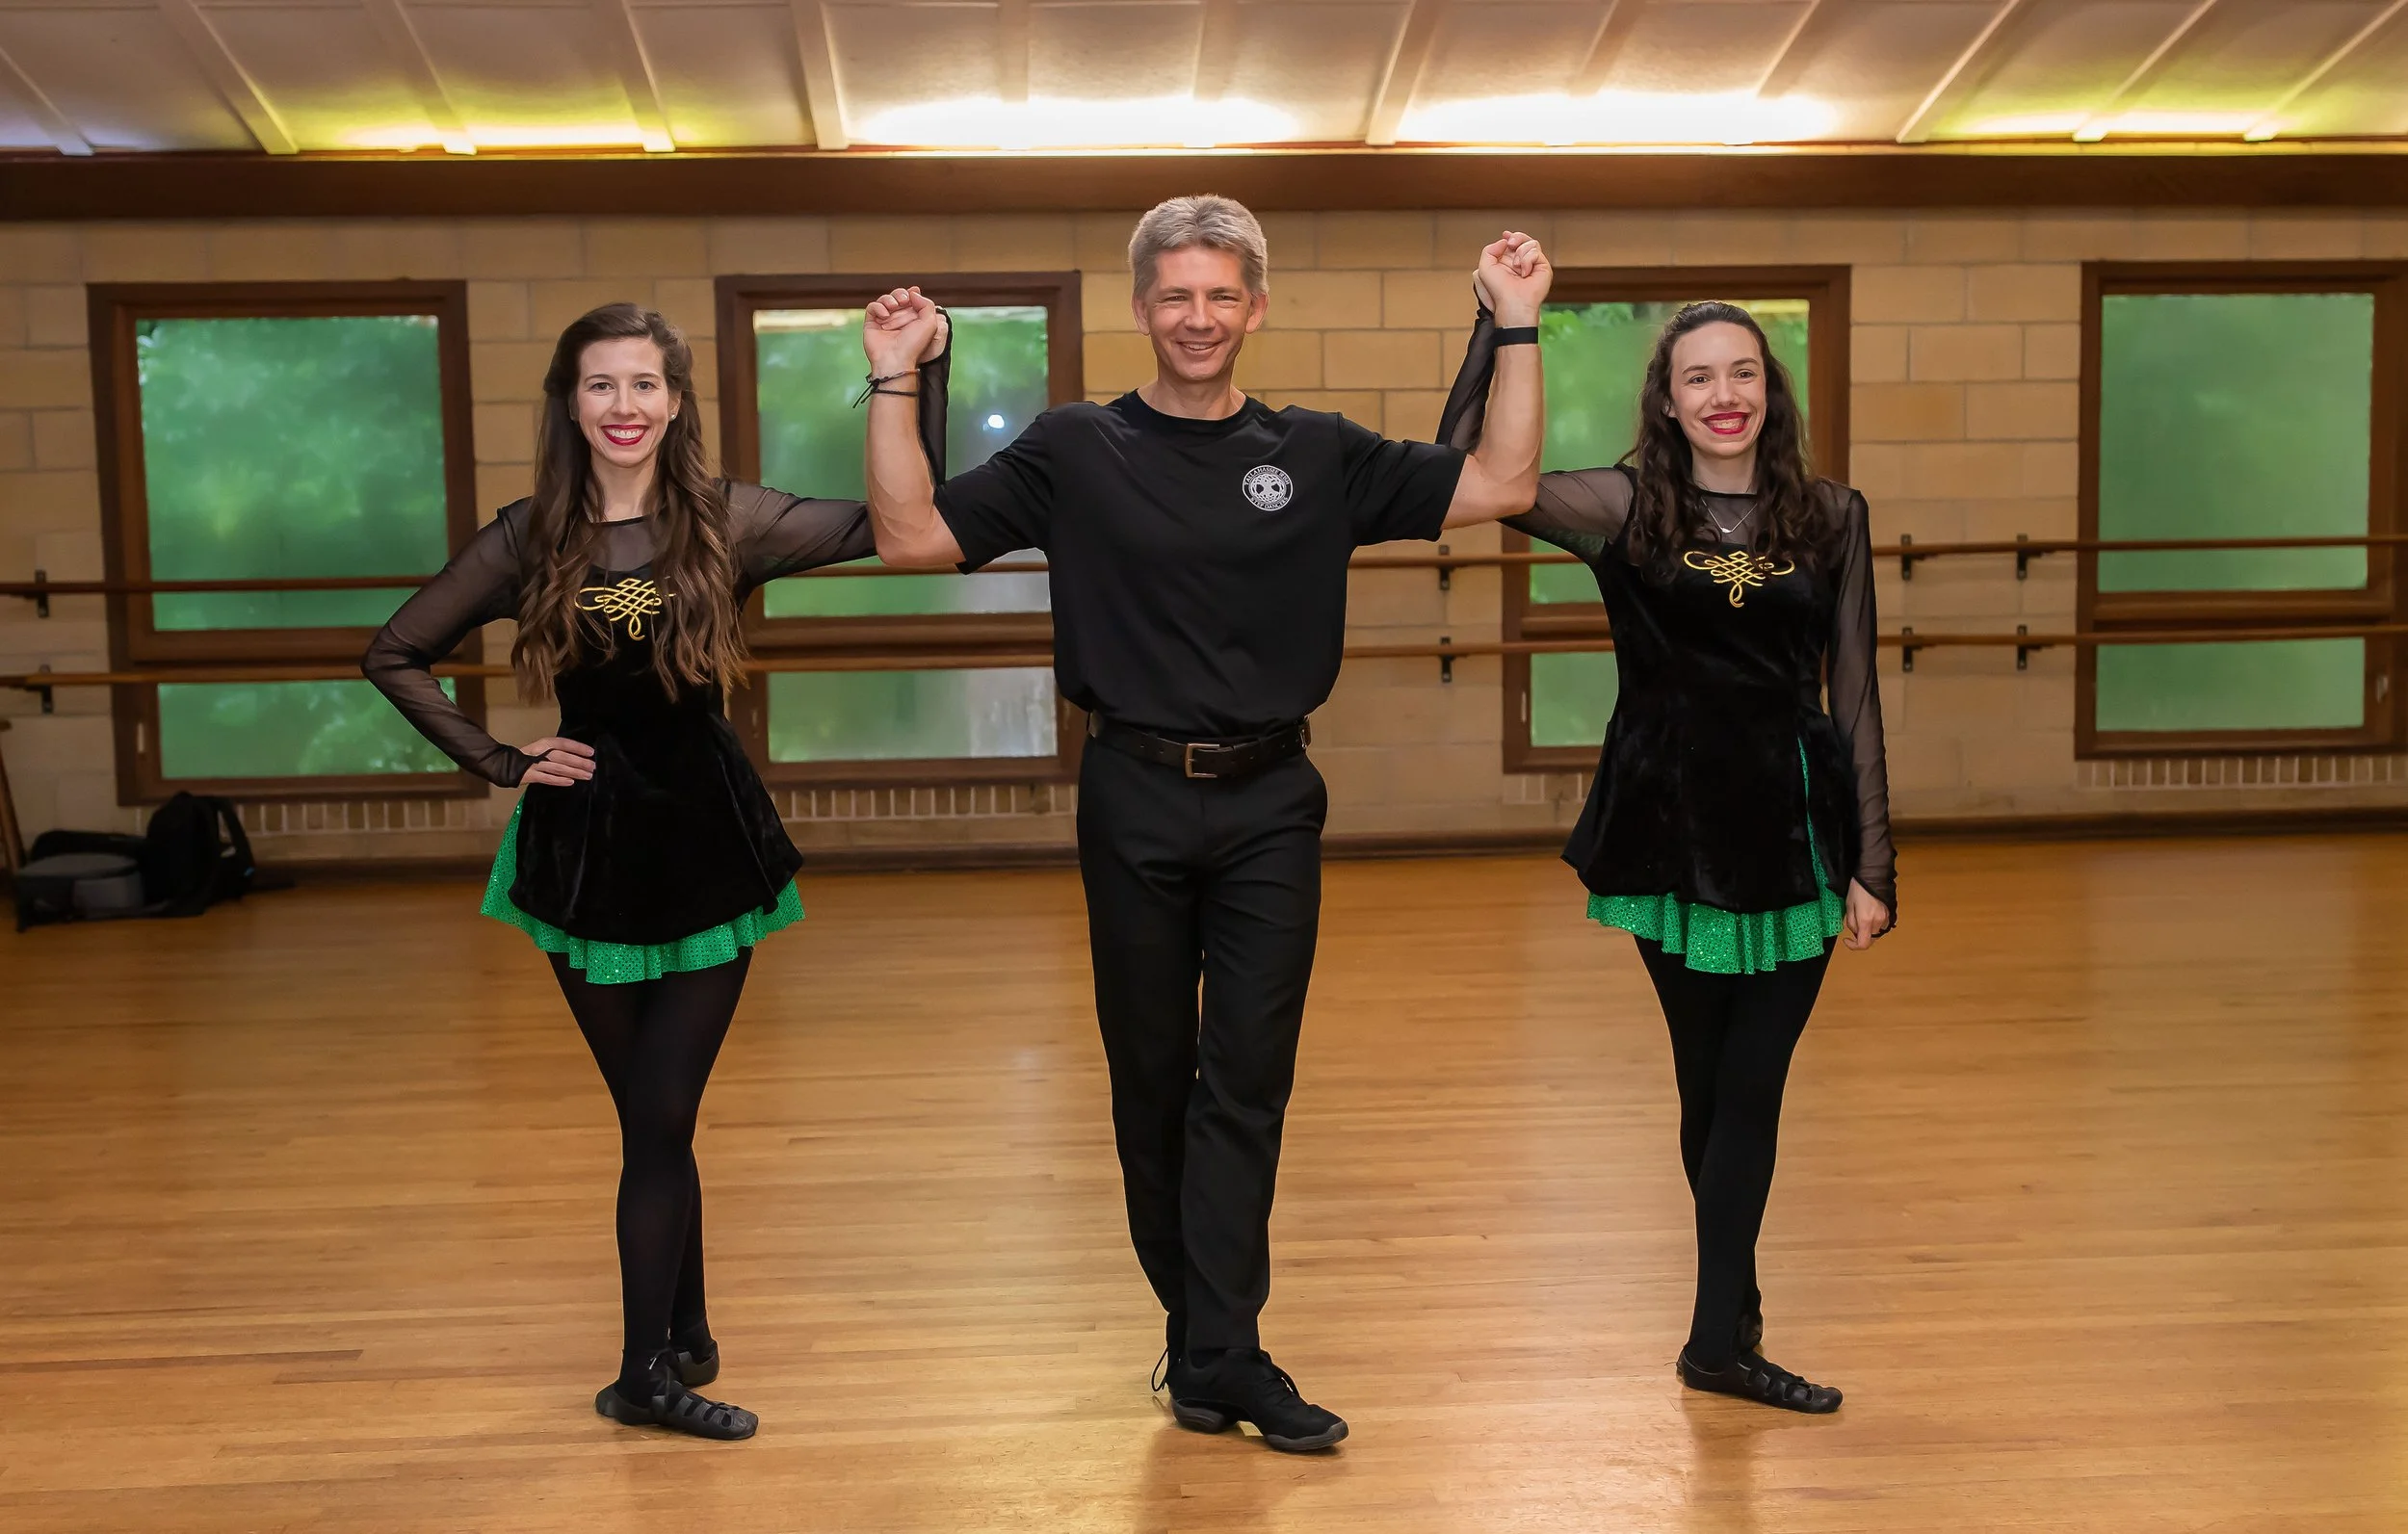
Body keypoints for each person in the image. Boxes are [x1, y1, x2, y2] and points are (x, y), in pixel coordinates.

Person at [853, 195, 1553, 1452]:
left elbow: (1502, 483)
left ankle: (1223, 1352)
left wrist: (1514, 327)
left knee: (1246, 1080)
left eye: (1220, 294)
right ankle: (1203, 1338)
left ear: (1256, 308)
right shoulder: (1074, 449)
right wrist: (895, 382)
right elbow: (911, 535)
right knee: (1149, 1081)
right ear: (1142, 309)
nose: (1196, 316)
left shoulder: (1318, 453)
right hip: (1129, 792)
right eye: (1174, 294)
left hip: (1272, 801)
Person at [363, 301, 945, 1441]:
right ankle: (665, 1351)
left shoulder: (731, 521)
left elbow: (906, 519)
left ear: (675, 400)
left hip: (707, 849)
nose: (622, 406)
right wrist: (497, 757)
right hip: (585, 855)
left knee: (660, 1116)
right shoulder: (529, 536)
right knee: (654, 1120)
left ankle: (657, 1355)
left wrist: (908, 375)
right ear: (569, 403)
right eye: (599, 386)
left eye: (643, 385)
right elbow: (395, 650)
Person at [1438, 299, 1896, 1414]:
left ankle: (1716, 1342)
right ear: (1667, 398)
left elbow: (1856, 691)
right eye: (1699, 378)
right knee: (1706, 1092)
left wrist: (1874, 860)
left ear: (1769, 391)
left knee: (1750, 1090)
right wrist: (1503, 328)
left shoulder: (1831, 516)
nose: (1724, 395)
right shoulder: (1624, 508)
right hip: (1668, 829)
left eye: (1743, 373)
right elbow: (1459, 475)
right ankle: (1730, 1315)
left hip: (1795, 834)